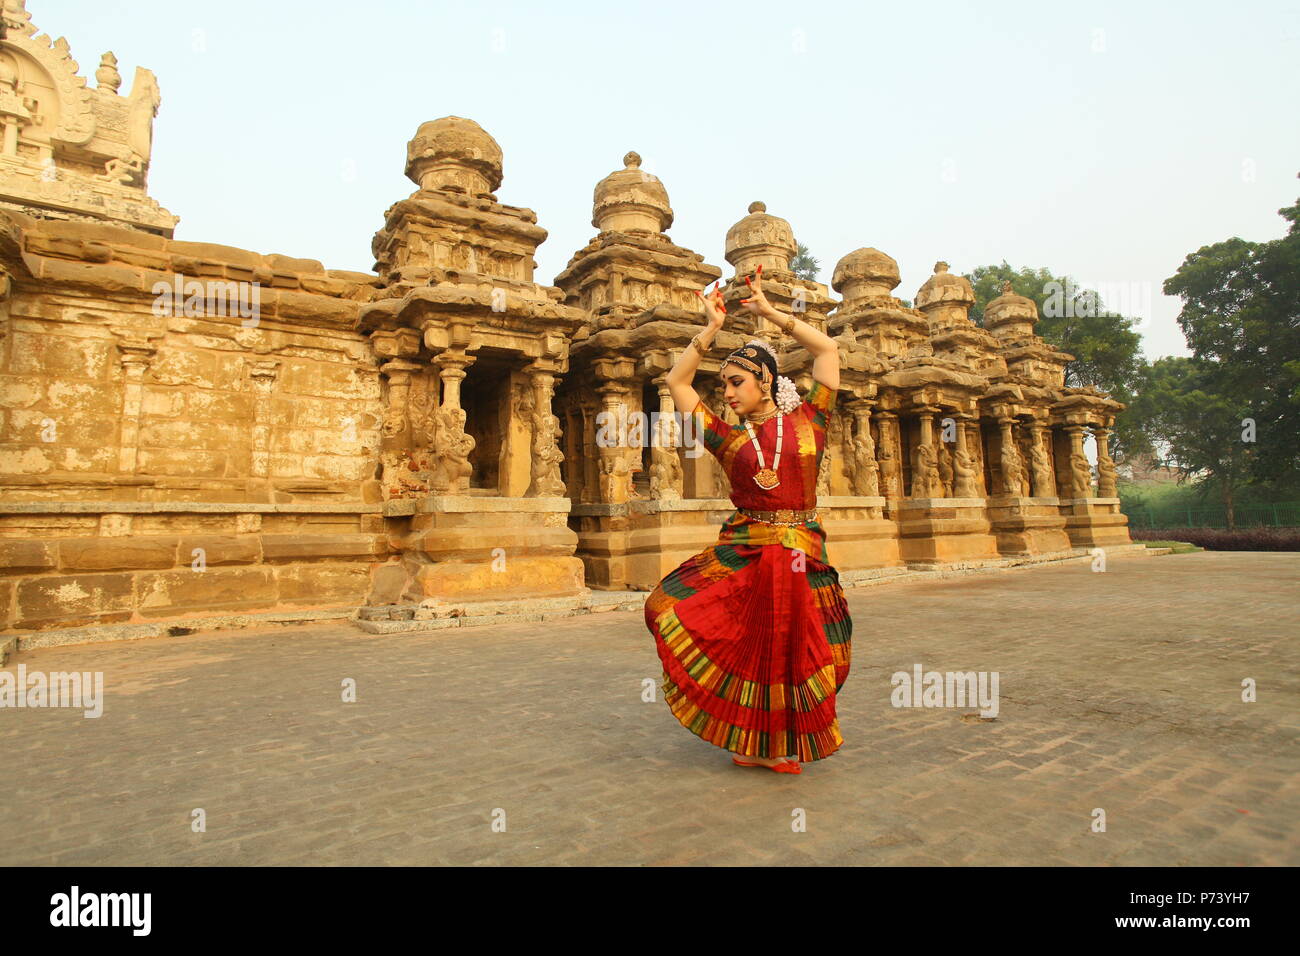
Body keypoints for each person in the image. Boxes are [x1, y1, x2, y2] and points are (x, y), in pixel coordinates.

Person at [644, 264, 852, 774]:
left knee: (791, 651)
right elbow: (676, 380)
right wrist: (709, 332)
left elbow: (827, 351)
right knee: (671, 609)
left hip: (801, 554)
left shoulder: (811, 421)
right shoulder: (726, 436)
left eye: (736, 382)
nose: (728, 393)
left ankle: (782, 747)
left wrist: (769, 312)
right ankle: (754, 744)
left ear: (765, 380)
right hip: (749, 552)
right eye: (724, 385)